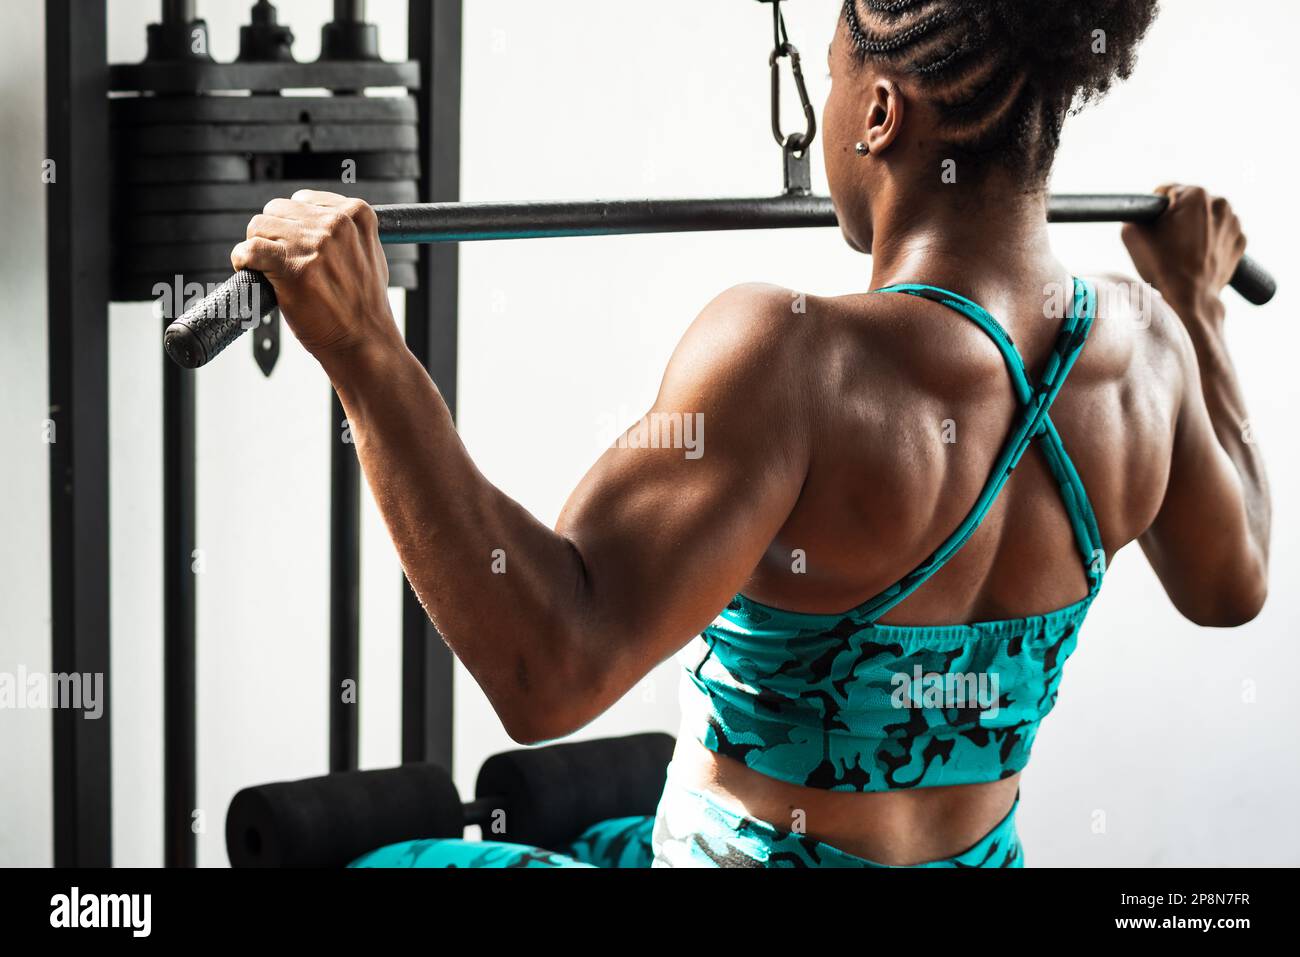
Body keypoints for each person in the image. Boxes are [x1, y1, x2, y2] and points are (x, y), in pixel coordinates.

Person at [230, 0, 1269, 867]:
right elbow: (1235, 587)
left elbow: (548, 669)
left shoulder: (792, 357)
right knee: (596, 828)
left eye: (824, 83)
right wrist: (1200, 306)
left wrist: (367, 354)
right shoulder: (1150, 348)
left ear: (875, 110)